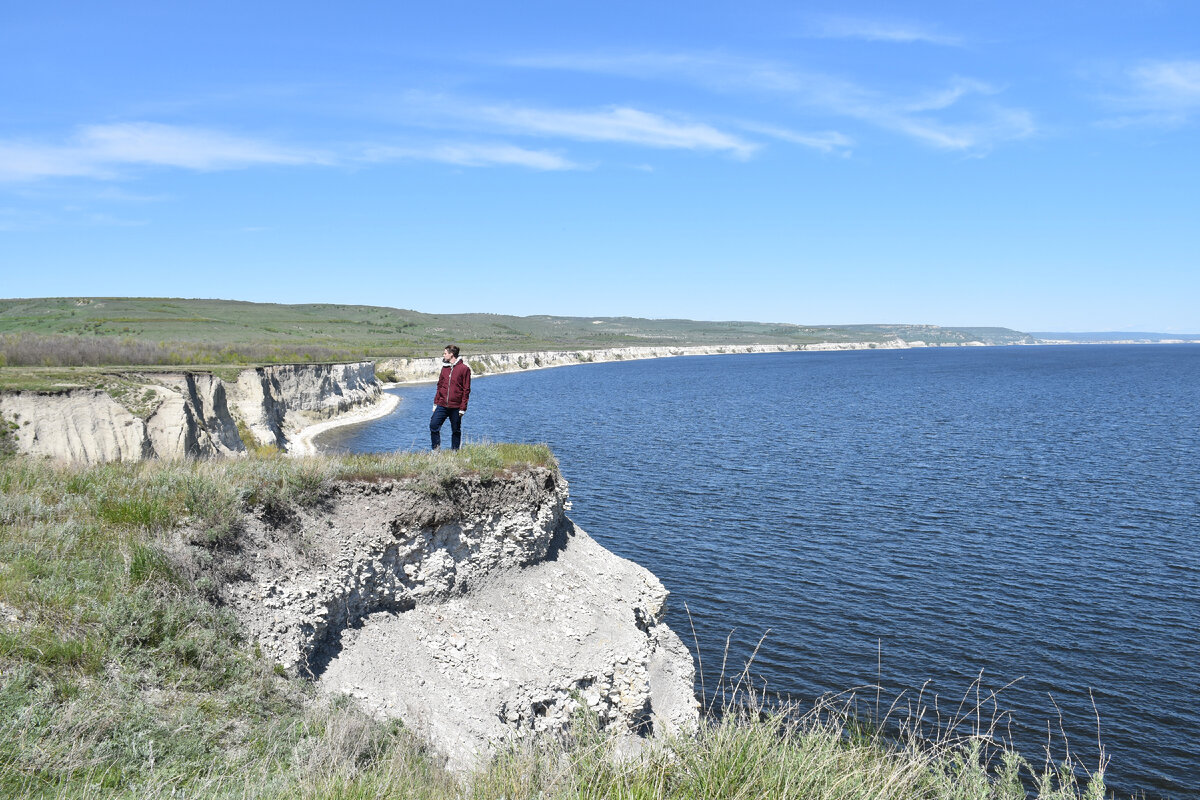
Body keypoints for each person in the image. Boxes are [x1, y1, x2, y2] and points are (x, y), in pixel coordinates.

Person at [430, 345, 471, 450]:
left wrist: (463, 408)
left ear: (451, 354)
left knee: (456, 430)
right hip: (442, 405)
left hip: (456, 406)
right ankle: (436, 450)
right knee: (433, 425)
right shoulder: (444, 368)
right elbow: (439, 386)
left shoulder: (464, 369)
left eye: (445, 353)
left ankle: (455, 452)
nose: (443, 355)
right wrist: (435, 403)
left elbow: (466, 390)